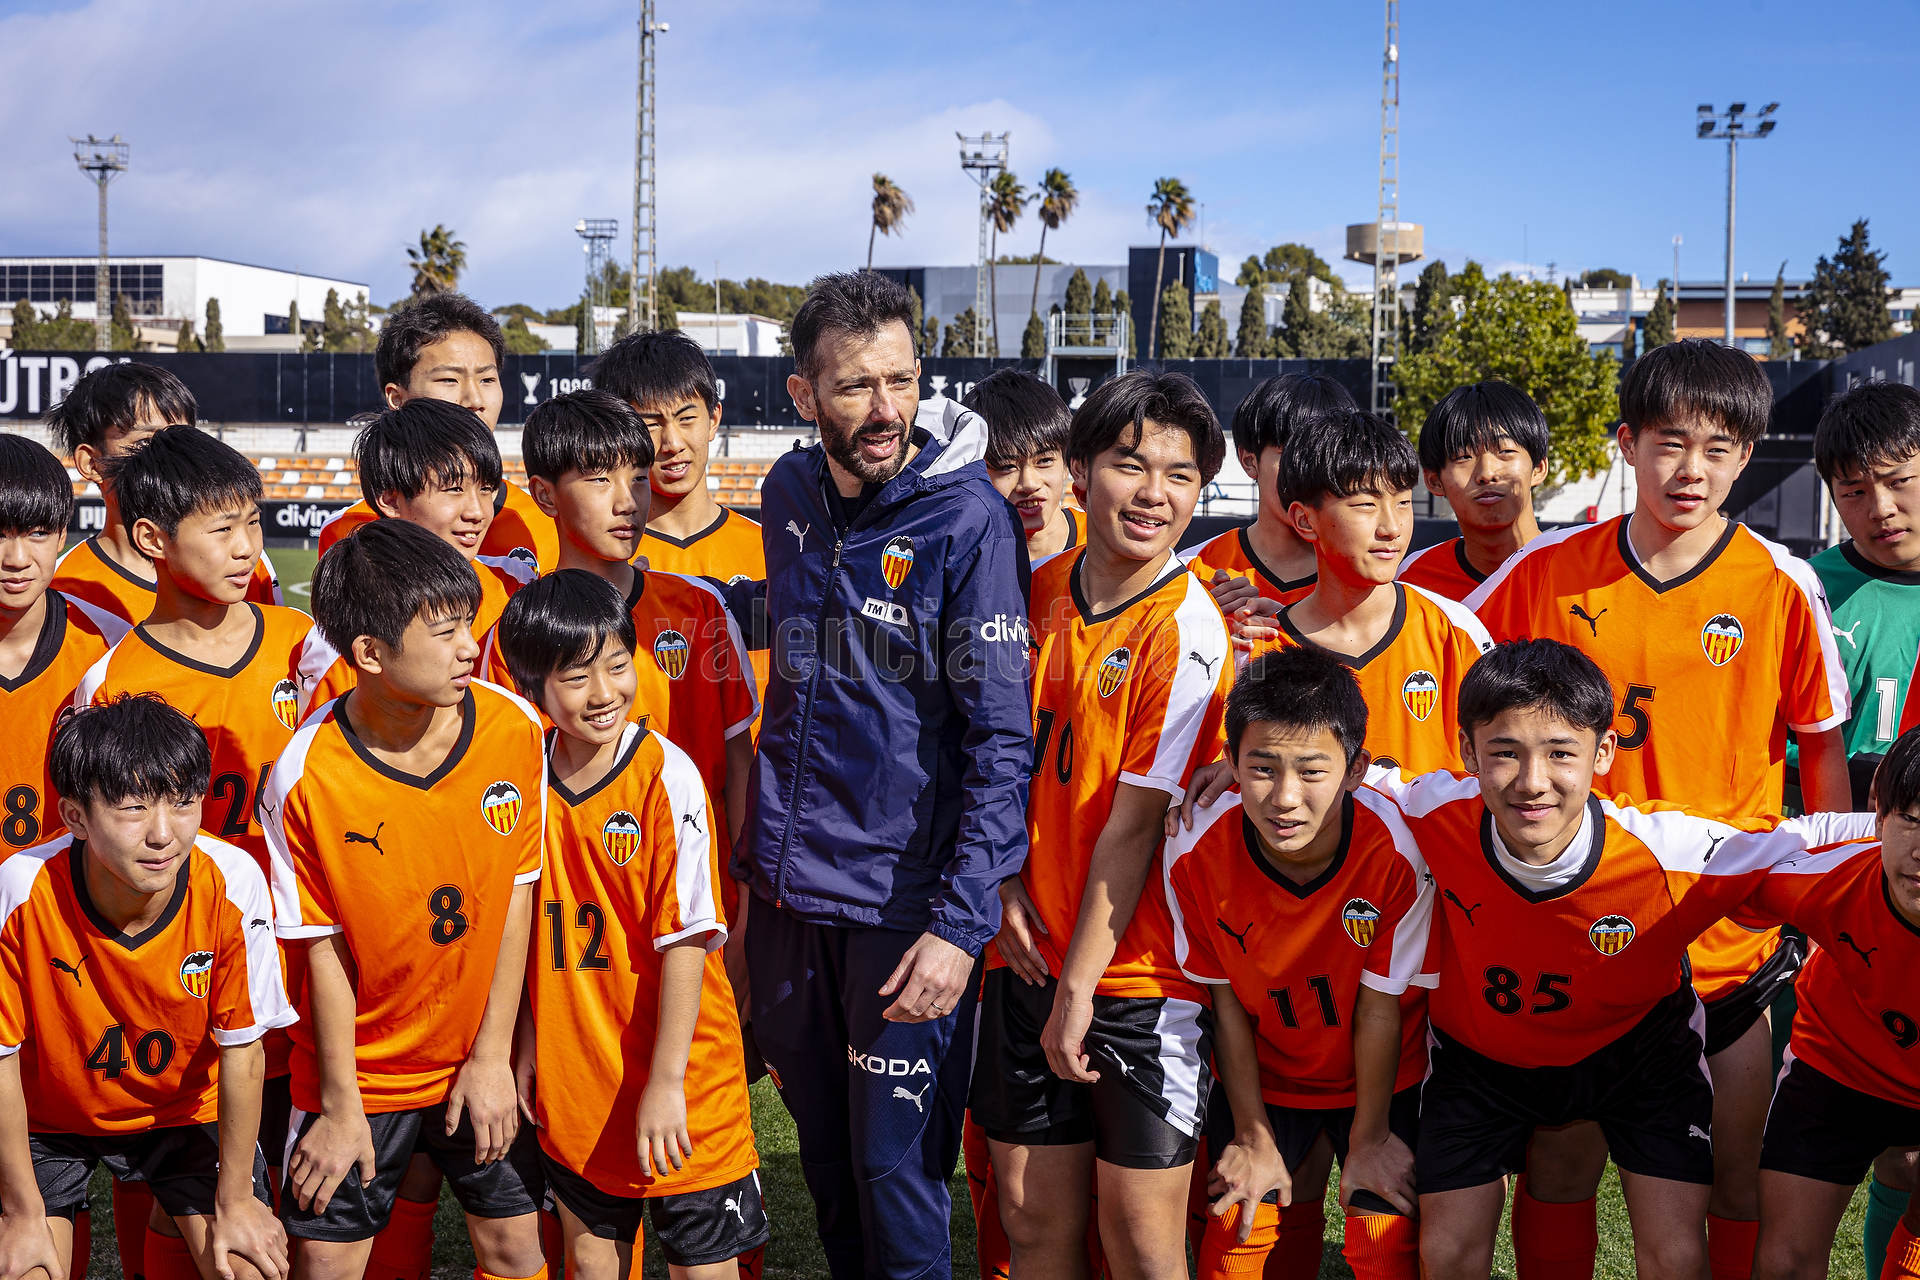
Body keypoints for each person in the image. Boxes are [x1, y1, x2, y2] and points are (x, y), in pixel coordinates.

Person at [1466, 338, 1852, 1280]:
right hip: (1577, 920)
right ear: (1626, 444)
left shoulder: (1781, 585)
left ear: (1747, 455)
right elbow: (1437, 657)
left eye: (1719, 448)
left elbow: (1823, 753)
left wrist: (1827, 906)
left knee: (1736, 1178)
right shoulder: (1548, 572)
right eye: (1670, 442)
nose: (1692, 469)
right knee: (1561, 1161)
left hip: (1724, 939)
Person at [1358, 639, 1872, 1280]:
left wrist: (1900, 827)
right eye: (1504, 754)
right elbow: (1331, 769)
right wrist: (1220, 775)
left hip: (1640, 1060)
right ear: (1467, 752)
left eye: (1560, 755)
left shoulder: (1668, 850)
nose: (1532, 782)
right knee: (1448, 1254)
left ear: (1603, 754)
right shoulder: (1432, 810)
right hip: (1480, 1061)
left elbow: (1800, 838)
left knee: (1677, 1257)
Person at [738, 270, 1032, 1280]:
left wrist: (959, 926)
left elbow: (1002, 740)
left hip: (902, 910)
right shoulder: (785, 492)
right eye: (857, 385)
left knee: (895, 1177)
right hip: (787, 899)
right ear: (803, 393)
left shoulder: (968, 521)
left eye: (901, 381)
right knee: (828, 1172)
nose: (886, 409)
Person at [973, 369, 1232, 1280]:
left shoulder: (1188, 630)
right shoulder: (1025, 593)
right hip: (1022, 953)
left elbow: (1131, 829)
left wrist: (1079, 990)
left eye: (1181, 475)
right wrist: (997, 886)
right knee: (1031, 1219)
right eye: (1131, 464)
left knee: (1142, 1242)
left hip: (1136, 978)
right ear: (1083, 471)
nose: (1154, 493)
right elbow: (983, 760)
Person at [262, 519, 547, 1280]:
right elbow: (318, 949)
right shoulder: (303, 776)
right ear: (369, 654)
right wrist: (340, 1104)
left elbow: (516, 896)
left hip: (471, 1060)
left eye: (469, 625)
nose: (468, 648)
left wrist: (492, 1058)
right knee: (326, 1260)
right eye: (446, 631)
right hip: (363, 1075)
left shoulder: (514, 729)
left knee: (518, 1250)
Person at [73, 425, 323, 1271]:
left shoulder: (306, 649)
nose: (248, 547)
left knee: (310, 1216)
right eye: (222, 529)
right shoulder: (110, 687)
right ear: (151, 538)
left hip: (308, 973)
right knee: (211, 1224)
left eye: (252, 523)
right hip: (190, 994)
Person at [496, 571, 768, 1280]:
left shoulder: (664, 775)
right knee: (591, 1263)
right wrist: (527, 1040)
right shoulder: (522, 784)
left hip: (684, 1081)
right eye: (577, 676)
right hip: (576, 1078)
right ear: (534, 691)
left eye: (618, 666)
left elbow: (683, 945)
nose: (604, 692)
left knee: (702, 1268)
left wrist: (668, 1082)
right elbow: (521, 927)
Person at [0, 693, 293, 1280]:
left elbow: (244, 1050)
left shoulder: (233, 880)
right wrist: (20, 1210)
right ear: (76, 816)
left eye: (184, 803)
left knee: (247, 1265)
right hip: (50, 1120)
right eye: (133, 808)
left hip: (184, 1112)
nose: (164, 834)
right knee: (24, 1269)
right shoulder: (20, 889)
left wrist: (235, 1201)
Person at [1163, 648, 1430, 1280]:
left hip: (1383, 1082)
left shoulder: (1396, 849)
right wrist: (1253, 1134)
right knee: (1236, 1238)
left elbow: (1378, 1006)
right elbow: (1223, 1000)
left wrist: (1368, 1141)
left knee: (1382, 1242)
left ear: (1355, 770)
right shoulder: (1194, 846)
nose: (1285, 797)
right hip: (1266, 1076)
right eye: (1261, 768)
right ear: (1229, 764)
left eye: (1312, 771)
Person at [511, 388, 757, 880]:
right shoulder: (516, 630)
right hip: (572, 907)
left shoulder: (701, 608)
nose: (628, 502)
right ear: (543, 494)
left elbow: (738, 768)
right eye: (600, 480)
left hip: (699, 896)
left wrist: (748, 900)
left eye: (639, 479)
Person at [1802, 379, 1920, 1270]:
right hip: (1840, 891)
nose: (1878, 508)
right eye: (1853, 490)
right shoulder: (1808, 590)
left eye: (1897, 479)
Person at [1744, 727, 1920, 1280]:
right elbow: (1706, 873)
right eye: (1912, 822)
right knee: (1784, 1261)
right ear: (1878, 815)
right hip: (1837, 1068)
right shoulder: (1821, 875)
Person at [1257, 410, 1491, 774]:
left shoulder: (1455, 631)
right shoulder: (1258, 647)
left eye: (1403, 502)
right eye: (1366, 504)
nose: (1392, 527)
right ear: (1305, 520)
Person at [302, 399, 538, 715]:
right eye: (454, 488)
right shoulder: (345, 633)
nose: (478, 512)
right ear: (390, 498)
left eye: (486, 489)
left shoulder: (518, 586)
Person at [599, 329, 773, 714]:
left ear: (713, 420)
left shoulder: (769, 548)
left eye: (686, 417)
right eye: (651, 423)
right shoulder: (604, 564)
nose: (672, 442)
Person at [317, 292, 558, 571]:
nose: (475, 400)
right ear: (396, 398)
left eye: (487, 379)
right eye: (449, 379)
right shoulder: (347, 530)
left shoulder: (545, 522)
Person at [48, 363, 281, 625]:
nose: (174, 457)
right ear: (91, 463)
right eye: (146, 442)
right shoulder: (60, 589)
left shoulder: (245, 563)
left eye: (185, 438)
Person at [0, 434, 125, 858]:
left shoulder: (110, 646)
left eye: (37, 533)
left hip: (63, 907)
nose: (17, 558)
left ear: (60, 538)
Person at [1185, 373, 1357, 615]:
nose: (1310, 473)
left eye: (1325, 458)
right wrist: (1207, 634)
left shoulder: (1366, 575)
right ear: (1249, 461)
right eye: (1290, 455)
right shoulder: (1193, 568)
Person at [1398, 380, 1549, 600]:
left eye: (1505, 451)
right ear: (1434, 481)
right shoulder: (1414, 583)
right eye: (1463, 457)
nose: (1487, 473)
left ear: (1538, 468)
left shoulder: (1581, 571)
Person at [964, 368, 1082, 560]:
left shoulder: (1101, 542)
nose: (1029, 484)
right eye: (1007, 466)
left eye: (1044, 461)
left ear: (1066, 462)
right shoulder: (962, 558)